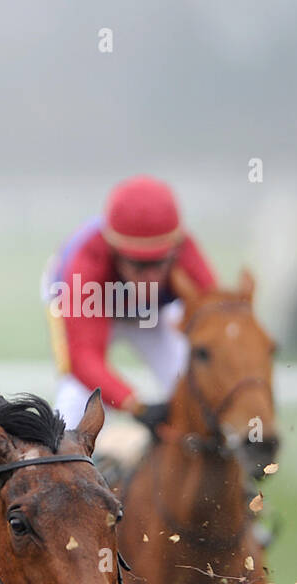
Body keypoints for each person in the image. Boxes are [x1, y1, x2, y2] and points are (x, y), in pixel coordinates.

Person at [44, 175, 217, 431]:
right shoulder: (85, 264)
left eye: (158, 262)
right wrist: (135, 406)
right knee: (74, 414)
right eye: (138, 263)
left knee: (196, 390)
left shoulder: (185, 251)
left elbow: (217, 320)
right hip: (89, 307)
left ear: (176, 249)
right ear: (113, 250)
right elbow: (83, 357)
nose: (149, 276)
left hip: (150, 313)